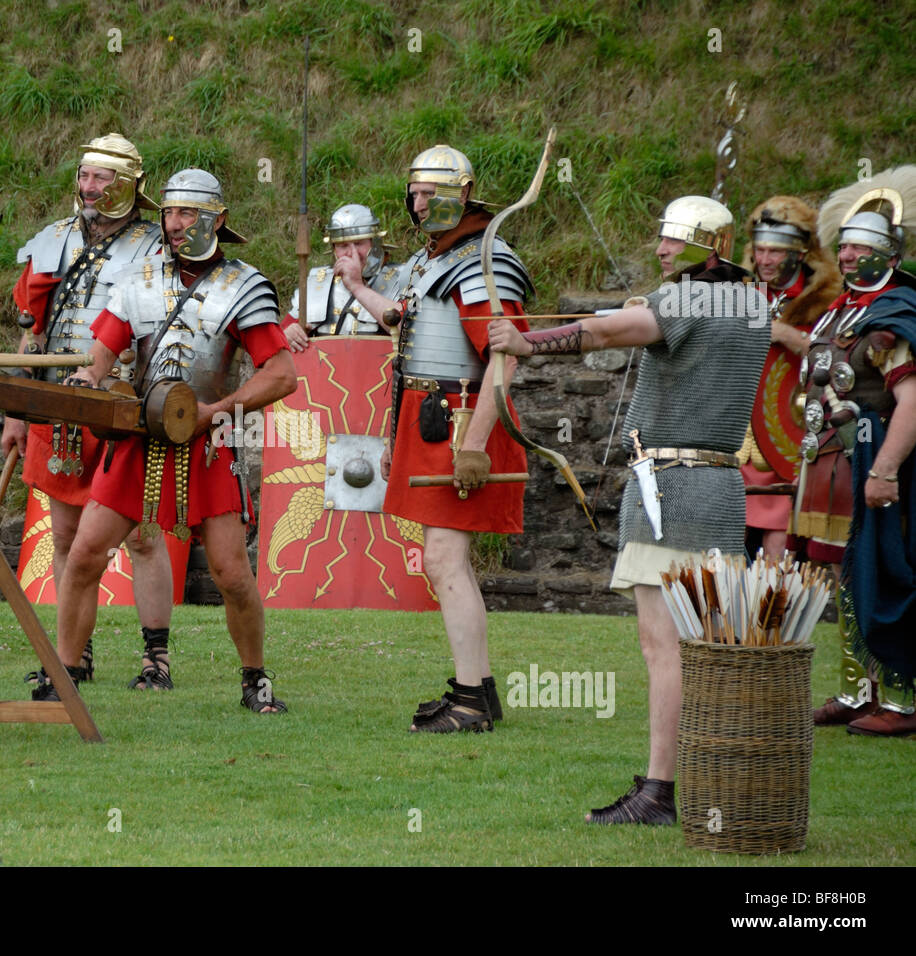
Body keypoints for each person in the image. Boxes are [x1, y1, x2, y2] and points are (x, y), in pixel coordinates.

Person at [490, 195, 770, 822]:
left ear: (712, 247)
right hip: (717, 489)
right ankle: (720, 783)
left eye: (678, 241)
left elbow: (613, 330)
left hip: (673, 489)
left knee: (663, 645)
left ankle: (657, 792)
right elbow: (637, 316)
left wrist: (527, 343)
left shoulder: (691, 300)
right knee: (710, 642)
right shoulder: (748, 302)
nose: (663, 249)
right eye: (663, 238)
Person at [49, 168, 296, 712]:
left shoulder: (242, 286)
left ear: (217, 219)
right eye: (168, 212)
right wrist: (90, 381)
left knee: (232, 574)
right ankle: (64, 674)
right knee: (87, 552)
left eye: (187, 213)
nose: (174, 223)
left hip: (207, 445)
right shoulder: (137, 280)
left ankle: (256, 680)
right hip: (138, 440)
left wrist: (218, 410)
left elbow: (280, 374)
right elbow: (102, 356)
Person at [333, 145, 533, 733]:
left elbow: (504, 359)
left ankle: (469, 702)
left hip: (461, 422)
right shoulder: (435, 259)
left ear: (463, 194)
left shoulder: (484, 262)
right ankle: (481, 690)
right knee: (450, 562)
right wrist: (353, 284)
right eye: (414, 194)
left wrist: (474, 444)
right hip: (430, 418)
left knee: (444, 558)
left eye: (431, 195)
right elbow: (397, 319)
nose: (419, 205)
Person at [1, 135, 177, 695]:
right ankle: (73, 655)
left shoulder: (156, 248)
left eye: (102, 179)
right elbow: (32, 330)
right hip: (57, 408)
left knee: (143, 536)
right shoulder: (51, 241)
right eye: (85, 176)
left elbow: (166, 334)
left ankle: (156, 659)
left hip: (124, 406)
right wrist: (17, 408)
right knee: (63, 534)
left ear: (127, 185)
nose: (90, 188)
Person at [806, 167, 916, 735]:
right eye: (843, 246)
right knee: (853, 574)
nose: (845, 256)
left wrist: (888, 470)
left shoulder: (894, 311)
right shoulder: (842, 308)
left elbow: (912, 398)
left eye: (857, 247)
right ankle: (859, 689)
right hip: (846, 455)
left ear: (886, 253)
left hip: (887, 460)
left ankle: (902, 699)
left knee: (893, 570)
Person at [737, 197, 841, 557]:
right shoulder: (741, 292)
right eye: (759, 250)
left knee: (778, 551)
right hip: (738, 442)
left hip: (790, 439)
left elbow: (842, 361)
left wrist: (790, 336)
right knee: (727, 553)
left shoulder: (828, 301)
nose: (764, 261)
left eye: (775, 253)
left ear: (799, 254)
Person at [282, 203, 401, 352]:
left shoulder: (400, 280)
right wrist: (288, 335)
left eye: (359, 243)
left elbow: (409, 333)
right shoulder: (317, 284)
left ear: (375, 244)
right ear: (334, 250)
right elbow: (279, 339)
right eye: (343, 246)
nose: (352, 253)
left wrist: (357, 286)